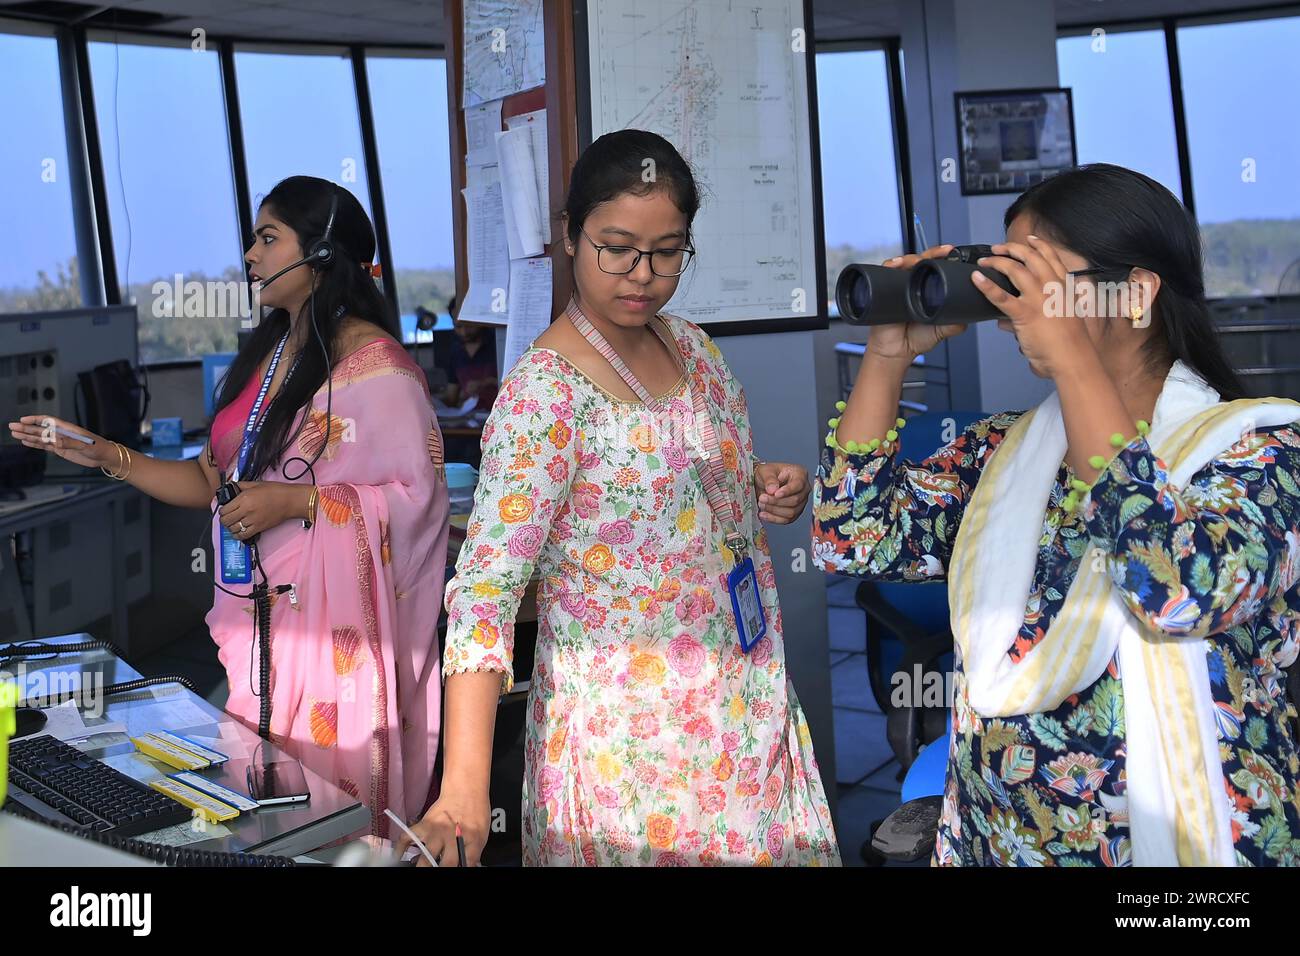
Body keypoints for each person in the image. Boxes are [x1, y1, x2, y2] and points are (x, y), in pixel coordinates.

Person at [811, 163, 1300, 866]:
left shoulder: (1260, 453)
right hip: (998, 833)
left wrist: (1075, 365)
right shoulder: (1009, 452)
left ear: (1136, 293)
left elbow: (1177, 589)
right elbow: (849, 536)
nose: (1017, 305)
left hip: (1174, 844)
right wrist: (887, 357)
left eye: (1038, 277)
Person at [398, 129, 840, 866]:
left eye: (667, 252)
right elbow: (483, 598)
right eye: (618, 247)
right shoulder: (545, 396)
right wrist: (465, 784)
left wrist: (758, 477)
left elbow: (681, 475)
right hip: (630, 751)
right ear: (570, 235)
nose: (642, 275)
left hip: (745, 705)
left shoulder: (692, 347)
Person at [11, 176, 450, 838]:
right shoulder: (270, 354)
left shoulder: (377, 370)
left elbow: (414, 504)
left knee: (323, 815)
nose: (249, 255)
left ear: (322, 256)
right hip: (258, 625)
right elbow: (208, 479)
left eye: (268, 238)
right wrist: (107, 455)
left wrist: (298, 501)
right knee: (260, 809)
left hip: (328, 644)